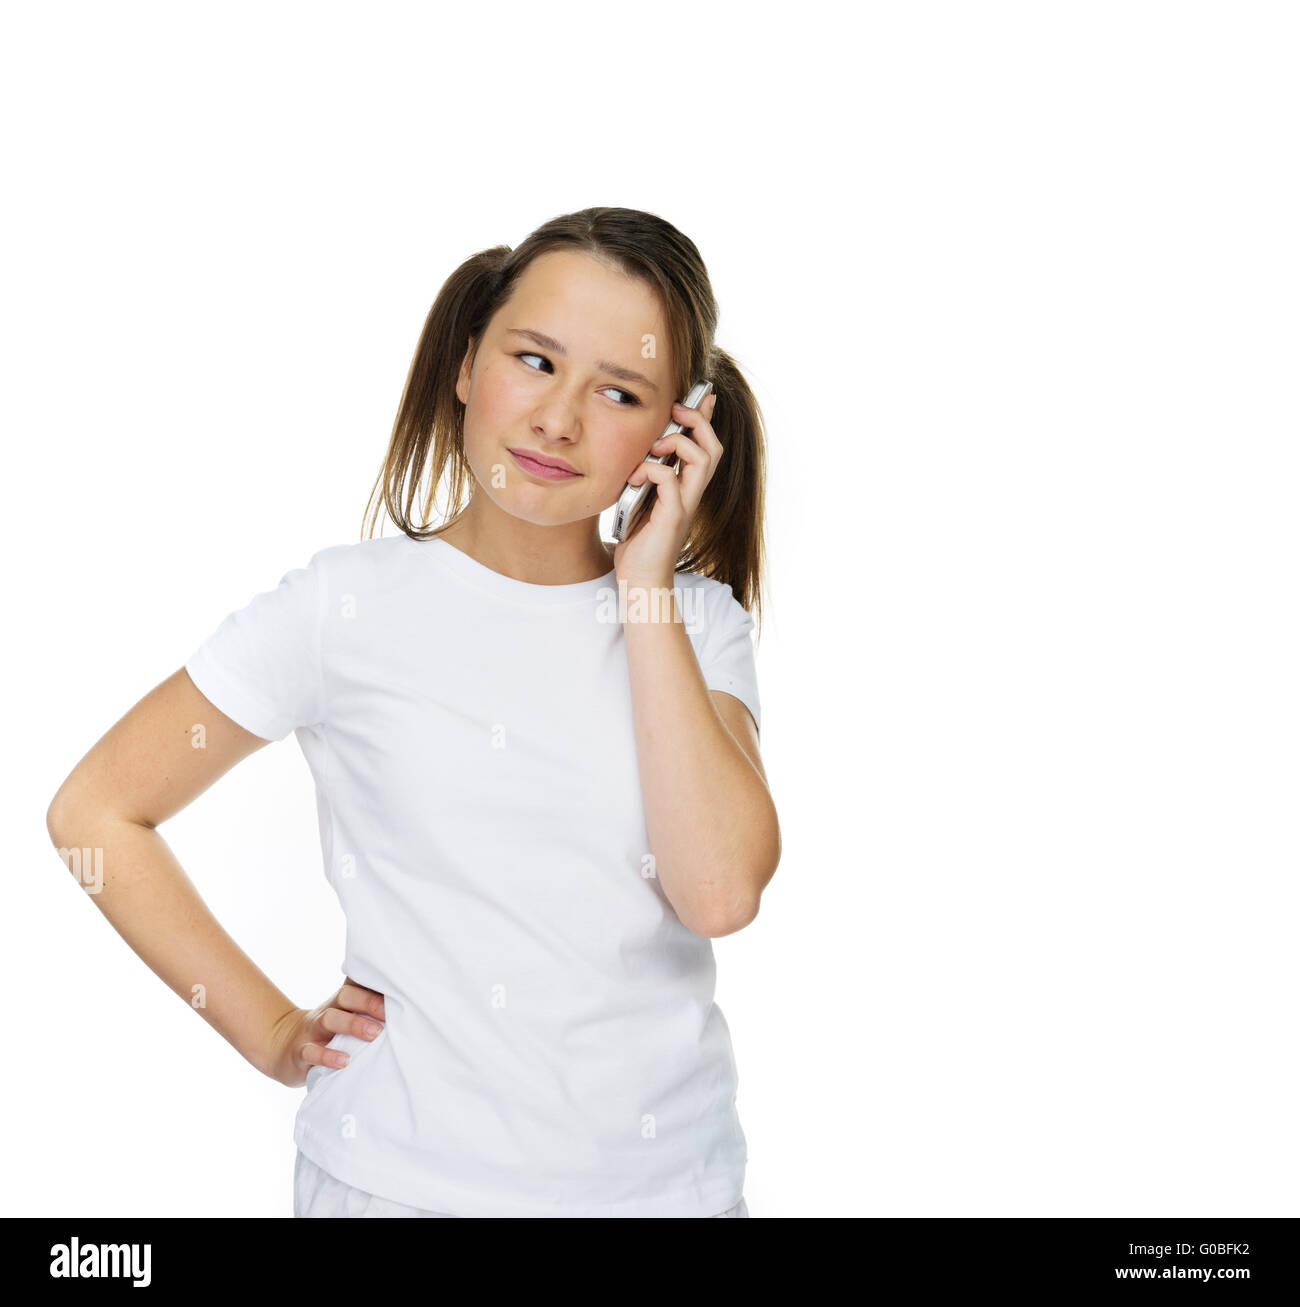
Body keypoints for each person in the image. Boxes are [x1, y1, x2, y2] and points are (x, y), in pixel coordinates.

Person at [46, 206, 780, 1218]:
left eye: (618, 391)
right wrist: (268, 1031)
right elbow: (96, 812)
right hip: (396, 1189)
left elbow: (717, 893)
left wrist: (645, 583)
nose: (558, 420)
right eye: (534, 360)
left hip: (665, 1192)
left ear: (675, 431)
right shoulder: (339, 609)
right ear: (466, 363)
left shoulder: (696, 624)